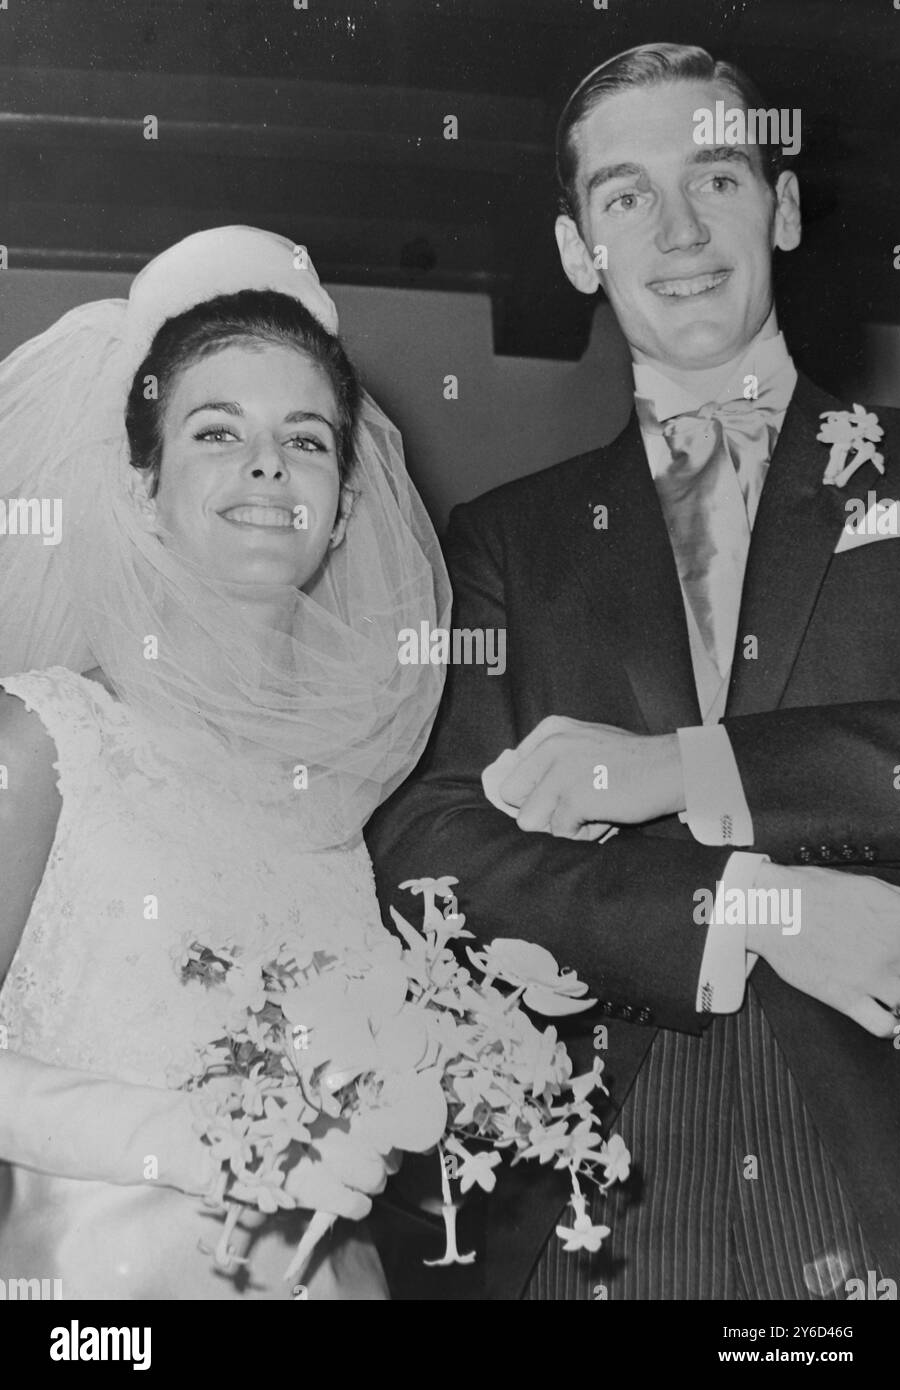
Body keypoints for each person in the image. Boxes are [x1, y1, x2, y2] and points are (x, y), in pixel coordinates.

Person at [367, 44, 900, 1300]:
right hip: (604, 1163)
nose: (676, 230)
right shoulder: (497, 540)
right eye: (624, 195)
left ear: (780, 206)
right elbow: (429, 844)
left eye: (714, 178)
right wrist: (757, 908)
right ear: (576, 251)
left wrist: (682, 769)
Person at [0, 225, 450, 1299]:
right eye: (216, 432)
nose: (265, 464)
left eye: (305, 440)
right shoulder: (44, 738)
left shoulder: (347, 799)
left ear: (343, 508)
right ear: (142, 485)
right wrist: (198, 1136)